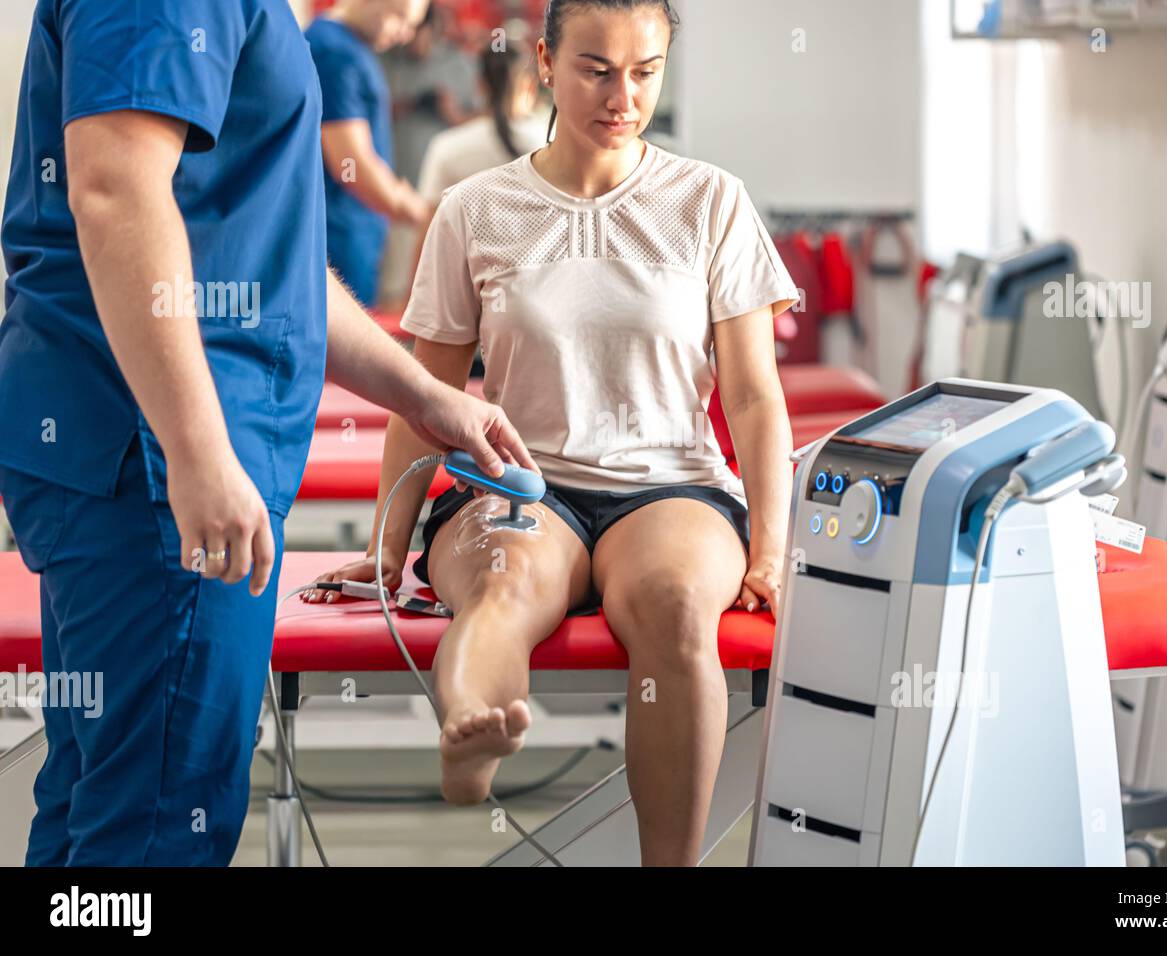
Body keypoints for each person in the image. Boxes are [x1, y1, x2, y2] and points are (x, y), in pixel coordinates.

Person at [0, 0, 534, 867]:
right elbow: (114, 189)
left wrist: (423, 395)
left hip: (137, 447)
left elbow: (264, 262)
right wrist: (197, 452)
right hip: (149, 458)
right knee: (154, 821)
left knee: (100, 798)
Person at [307, 0, 799, 866]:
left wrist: (769, 546)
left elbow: (755, 398)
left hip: (672, 487)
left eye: (646, 71)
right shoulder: (475, 209)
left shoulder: (711, 201)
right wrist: (388, 549)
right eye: (597, 70)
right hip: (516, 482)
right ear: (543, 61)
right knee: (502, 590)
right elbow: (426, 394)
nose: (624, 96)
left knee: (677, 610)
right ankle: (472, 733)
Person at [307, 0, 434, 307]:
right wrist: (421, 214)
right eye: (400, 19)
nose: (404, 35)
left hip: (352, 234)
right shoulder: (335, 53)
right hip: (338, 238)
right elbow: (351, 165)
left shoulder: (347, 47)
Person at [409, 39, 549, 286]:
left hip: (462, 289)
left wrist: (411, 294)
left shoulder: (447, 147)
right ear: (530, 85)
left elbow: (428, 234)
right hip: (539, 287)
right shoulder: (552, 143)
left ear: (480, 86)